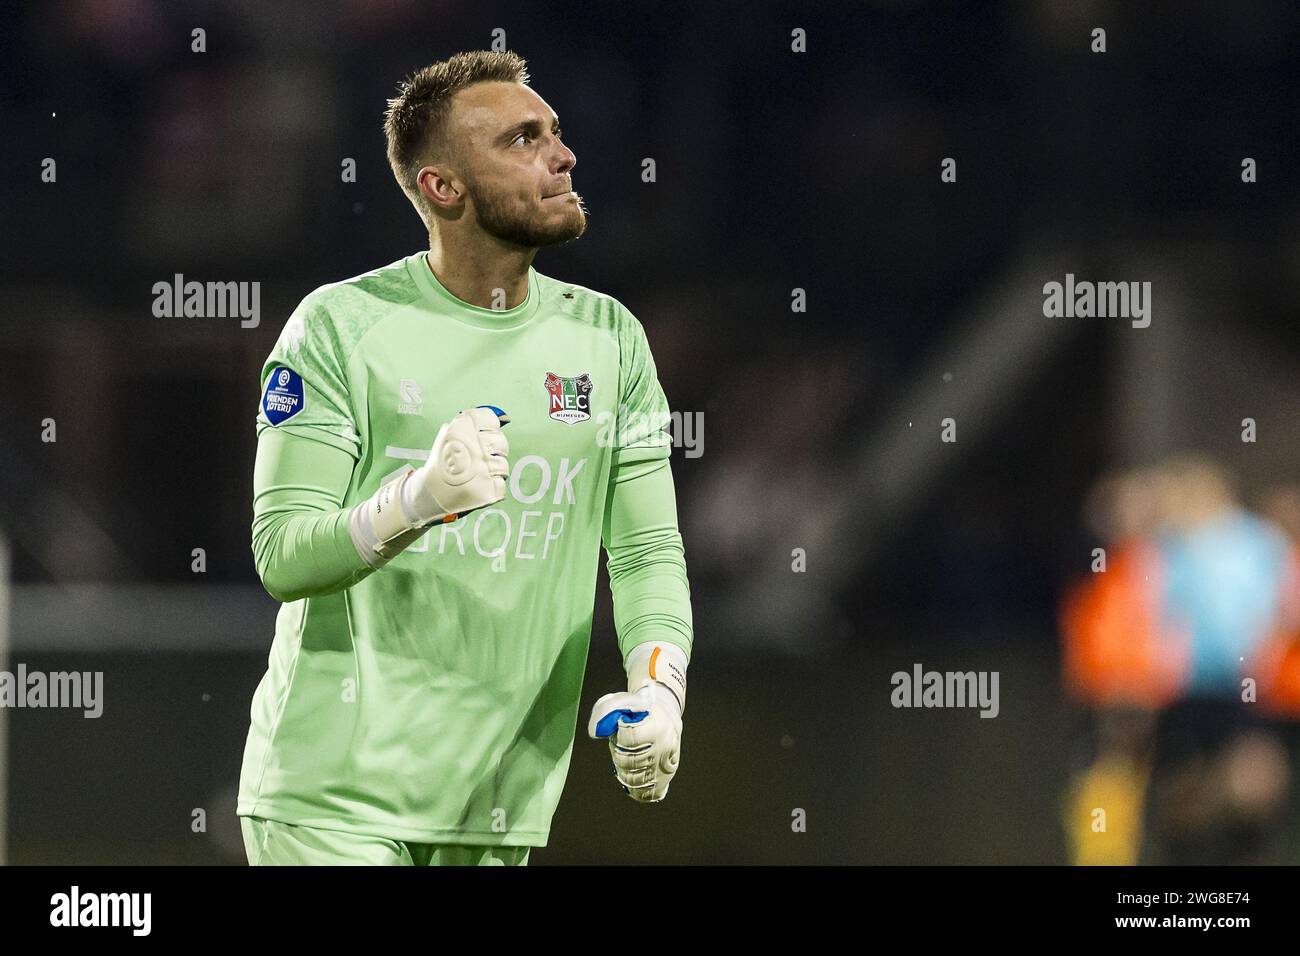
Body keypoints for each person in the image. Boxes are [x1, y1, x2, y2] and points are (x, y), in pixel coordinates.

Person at [237, 50, 693, 865]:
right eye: (523, 140)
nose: (563, 154)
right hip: (334, 803)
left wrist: (661, 688)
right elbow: (281, 554)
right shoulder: (340, 327)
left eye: (555, 132)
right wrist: (412, 503)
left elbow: (645, 552)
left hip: (497, 811)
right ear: (443, 187)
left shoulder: (610, 340)